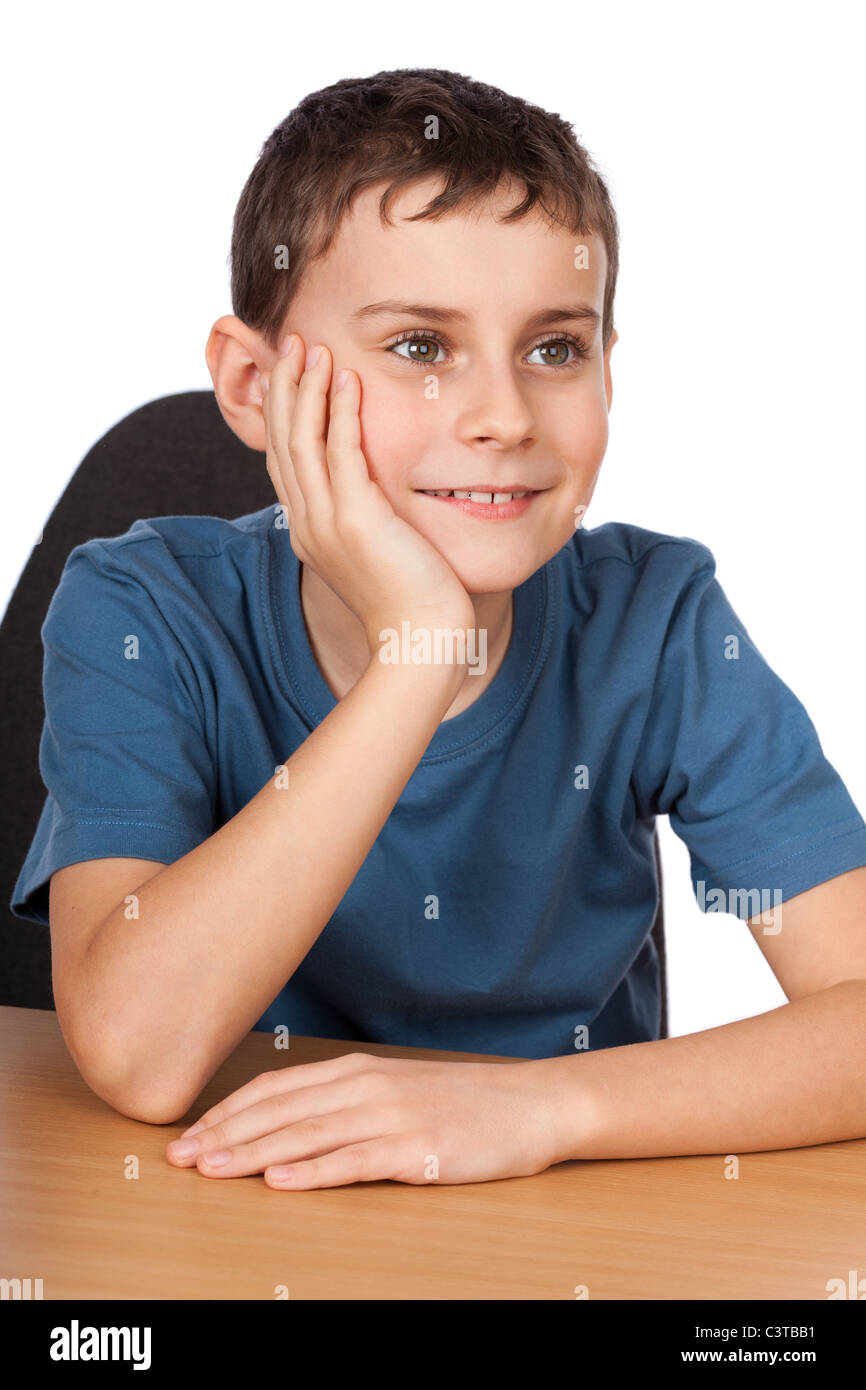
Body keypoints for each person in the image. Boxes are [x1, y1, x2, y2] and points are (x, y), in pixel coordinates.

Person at [11, 69, 866, 1189]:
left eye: (553, 348)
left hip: (555, 1223)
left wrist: (536, 1107)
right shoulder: (142, 611)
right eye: (419, 345)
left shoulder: (654, 625)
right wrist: (416, 649)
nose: (503, 416)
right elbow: (139, 1054)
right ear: (255, 385)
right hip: (231, 1213)